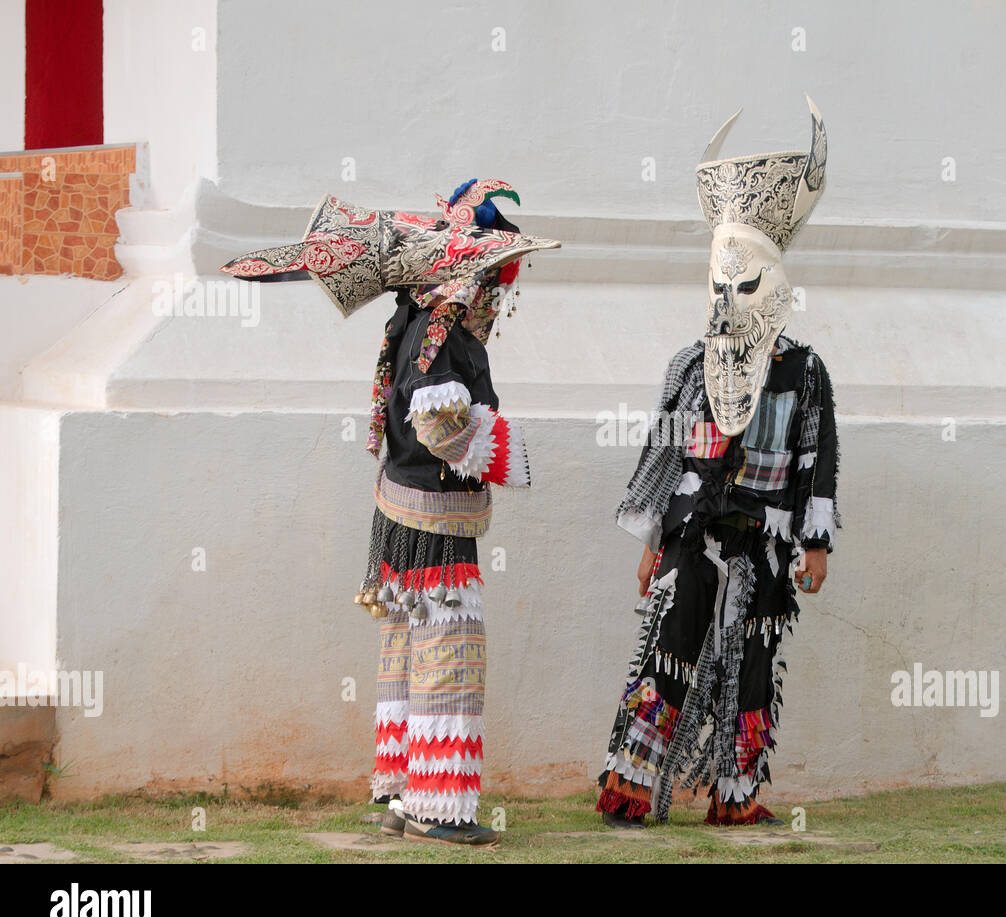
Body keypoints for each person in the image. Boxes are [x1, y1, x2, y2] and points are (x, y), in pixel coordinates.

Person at [223, 179, 559, 846]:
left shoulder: (409, 323)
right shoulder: (450, 339)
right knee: (447, 652)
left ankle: (407, 792)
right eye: (493, 277)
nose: (497, 293)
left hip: (399, 511)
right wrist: (505, 453)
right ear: (468, 275)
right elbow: (437, 422)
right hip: (436, 522)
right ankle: (439, 808)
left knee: (407, 648)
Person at [597, 98, 840, 827]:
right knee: (666, 652)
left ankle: (736, 794)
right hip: (690, 539)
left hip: (763, 543)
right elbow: (662, 454)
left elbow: (816, 460)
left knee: (754, 667)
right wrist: (650, 544)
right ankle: (629, 783)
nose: (730, 299)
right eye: (720, 283)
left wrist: (816, 543)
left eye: (747, 284)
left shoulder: (804, 372)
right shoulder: (687, 366)